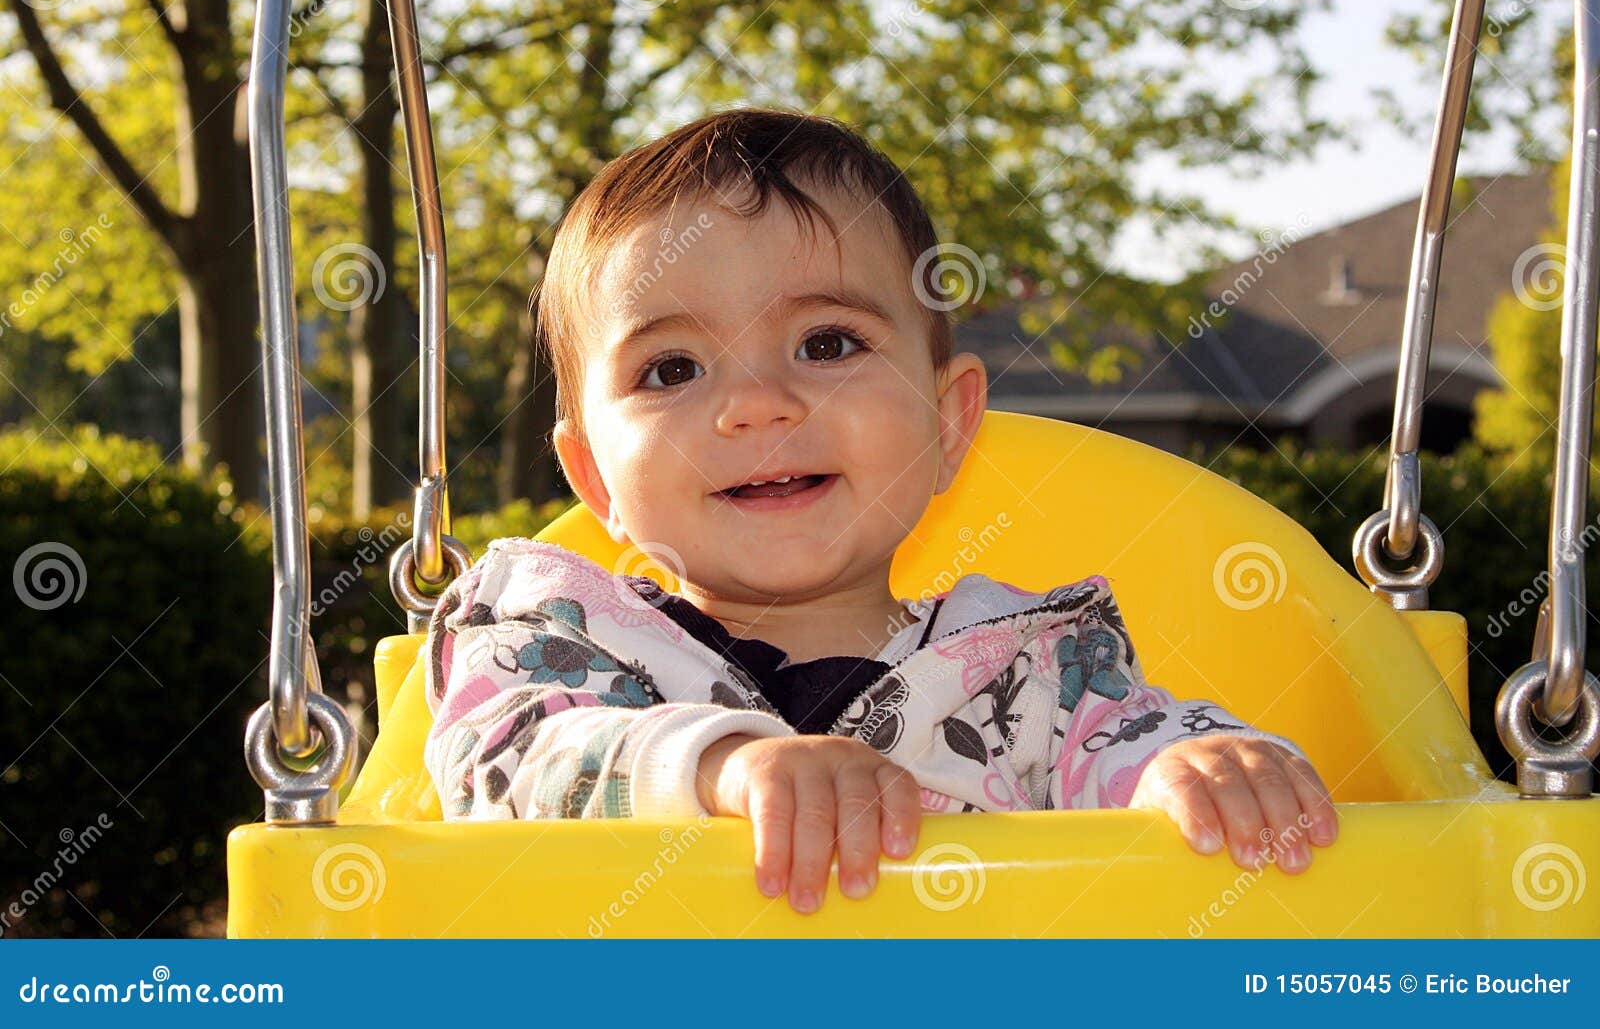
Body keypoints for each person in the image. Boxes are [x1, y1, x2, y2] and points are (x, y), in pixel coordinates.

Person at [423, 107, 1339, 915]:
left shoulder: (1036, 677)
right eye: (672, 369)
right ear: (593, 478)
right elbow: (501, 765)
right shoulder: (560, 647)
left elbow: (1135, 744)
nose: (758, 404)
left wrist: (1199, 765)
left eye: (826, 343)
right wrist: (719, 764)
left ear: (949, 422)